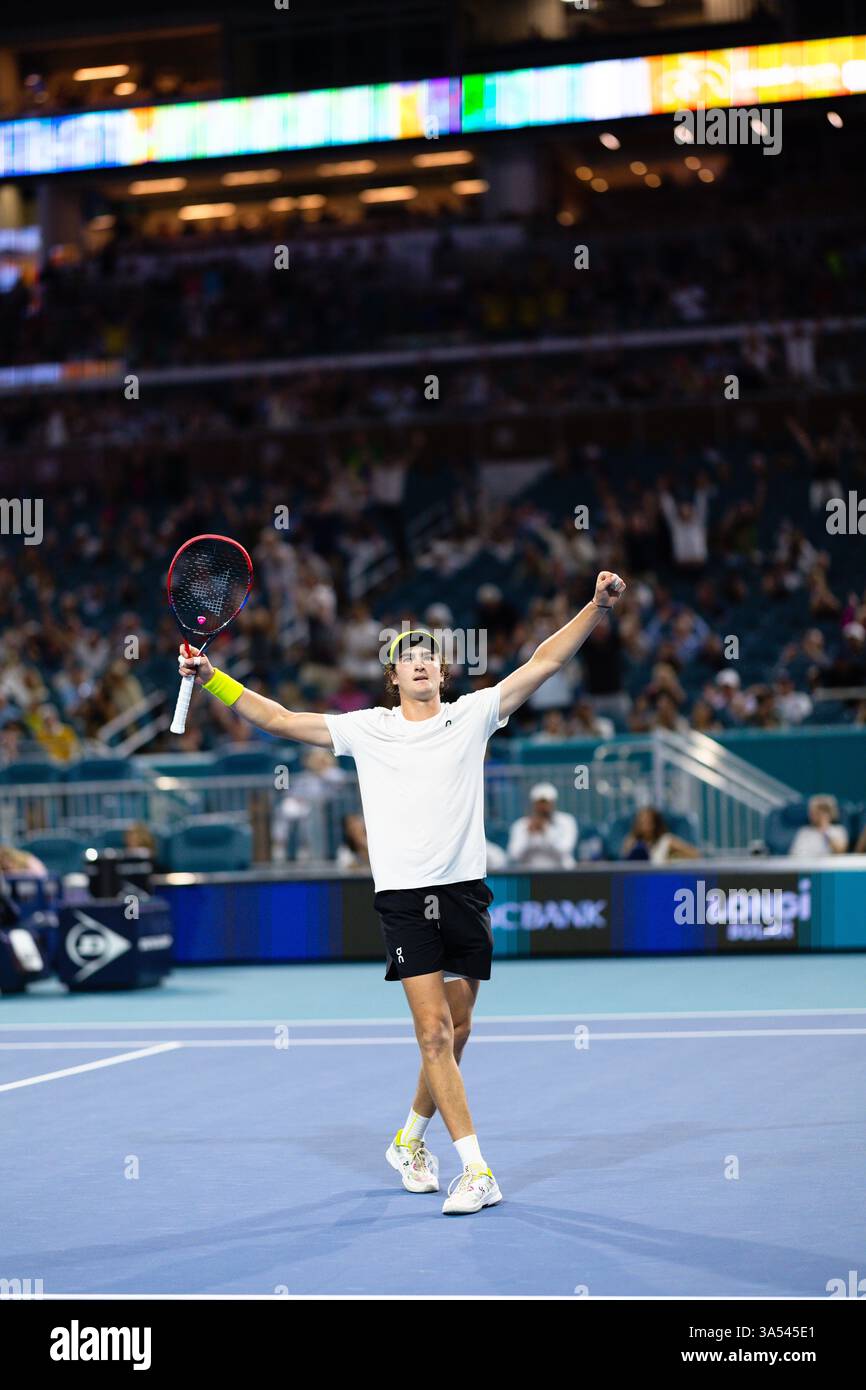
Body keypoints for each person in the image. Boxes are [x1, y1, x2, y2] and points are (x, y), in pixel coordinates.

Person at [177, 569, 627, 1216]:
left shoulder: (475, 714)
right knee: (434, 1034)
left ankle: (409, 1142)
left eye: (428, 657)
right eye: (405, 657)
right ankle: (478, 1170)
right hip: (406, 901)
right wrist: (211, 675)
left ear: (443, 674)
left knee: (460, 1027)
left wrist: (593, 607)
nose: (418, 664)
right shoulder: (368, 729)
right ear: (393, 677)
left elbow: (546, 661)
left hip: (466, 893)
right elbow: (276, 718)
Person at [506, 783, 577, 869]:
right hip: (531, 875)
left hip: (560, 872)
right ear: (533, 804)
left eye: (546, 803)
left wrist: (546, 831)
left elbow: (564, 850)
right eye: (540, 803)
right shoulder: (520, 825)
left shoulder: (567, 821)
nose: (543, 807)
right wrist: (529, 835)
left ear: (553, 802)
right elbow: (514, 855)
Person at [621, 807, 699, 863]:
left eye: (648, 821)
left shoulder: (667, 841)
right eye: (641, 822)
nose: (645, 825)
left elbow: (695, 855)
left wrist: (674, 860)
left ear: (655, 823)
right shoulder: (633, 843)